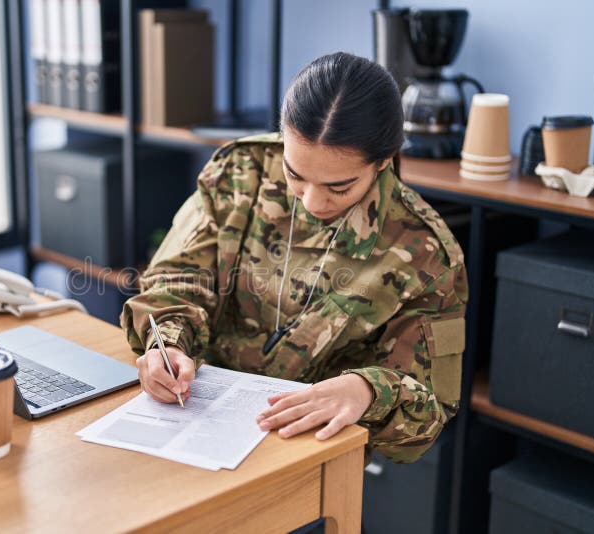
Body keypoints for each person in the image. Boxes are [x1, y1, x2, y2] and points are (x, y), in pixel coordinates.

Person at [120, 52, 468, 463]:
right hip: (193, 418)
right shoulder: (241, 172)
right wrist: (169, 345)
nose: (312, 200)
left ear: (384, 161)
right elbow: (176, 276)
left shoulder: (425, 255)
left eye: (339, 187)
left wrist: (367, 391)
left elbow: (431, 407)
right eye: (294, 175)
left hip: (305, 452)